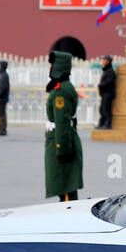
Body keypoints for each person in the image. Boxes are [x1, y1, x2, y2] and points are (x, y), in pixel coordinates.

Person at [44, 50, 83, 202]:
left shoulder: (62, 91)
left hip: (62, 143)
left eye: (52, 65)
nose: (50, 68)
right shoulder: (62, 87)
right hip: (60, 140)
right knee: (63, 189)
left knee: (66, 191)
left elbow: (62, 121)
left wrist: (61, 148)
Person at [97, 56, 116, 130]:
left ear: (108, 61)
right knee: (102, 109)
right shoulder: (106, 70)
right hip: (105, 94)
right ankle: (102, 124)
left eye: (104, 60)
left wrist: (101, 85)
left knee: (107, 110)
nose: (103, 61)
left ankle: (108, 124)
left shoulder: (110, 71)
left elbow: (109, 82)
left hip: (108, 94)